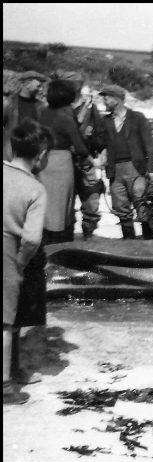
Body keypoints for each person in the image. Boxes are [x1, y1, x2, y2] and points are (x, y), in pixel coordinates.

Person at [3, 120, 50, 405]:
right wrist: (20, 263)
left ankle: (12, 371)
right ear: (41, 155)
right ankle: (5, 388)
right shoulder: (35, 189)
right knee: (6, 323)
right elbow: (32, 239)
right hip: (9, 250)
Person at [99, 84, 153, 240]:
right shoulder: (104, 121)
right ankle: (129, 243)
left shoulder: (138, 118)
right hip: (115, 170)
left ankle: (148, 242)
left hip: (136, 168)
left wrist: (152, 169)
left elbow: (150, 145)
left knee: (142, 204)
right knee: (120, 207)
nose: (104, 101)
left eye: (106, 98)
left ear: (116, 99)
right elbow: (98, 142)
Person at [53, 70, 106, 240]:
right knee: (62, 203)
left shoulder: (89, 107)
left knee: (91, 202)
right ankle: (64, 238)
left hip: (86, 161)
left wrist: (102, 155)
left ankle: (88, 236)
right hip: (62, 161)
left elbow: (99, 133)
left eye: (77, 85)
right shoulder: (56, 106)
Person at [38, 79, 91, 244]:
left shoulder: (42, 113)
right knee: (61, 206)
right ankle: (58, 241)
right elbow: (80, 147)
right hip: (61, 161)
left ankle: (43, 238)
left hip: (43, 159)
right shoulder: (66, 118)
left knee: (45, 204)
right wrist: (88, 157)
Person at [3, 70, 49, 161]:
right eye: (38, 86)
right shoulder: (9, 102)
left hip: (29, 152)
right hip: (9, 150)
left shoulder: (41, 106)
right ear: (28, 84)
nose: (40, 89)